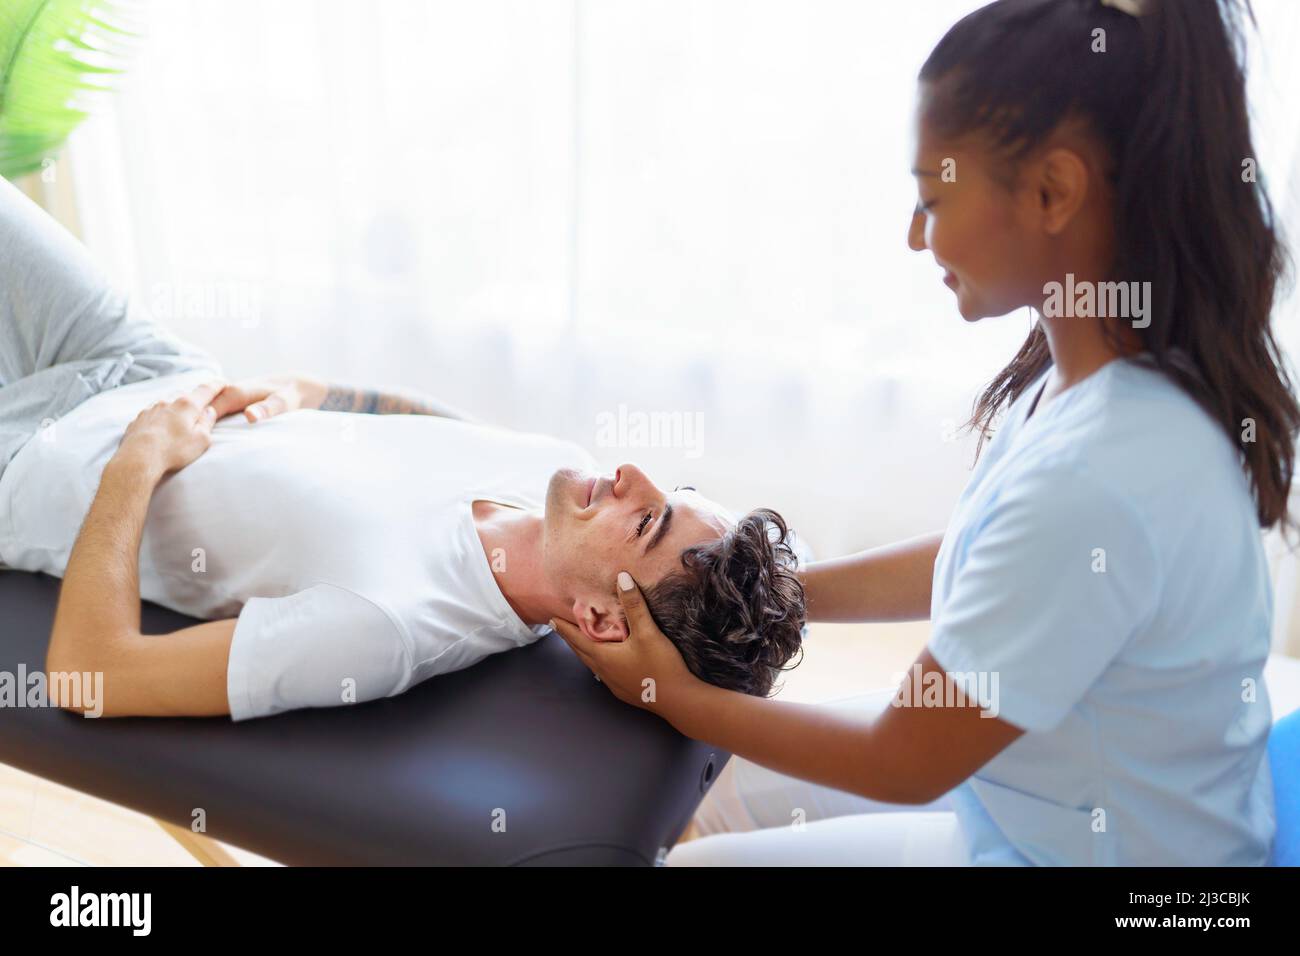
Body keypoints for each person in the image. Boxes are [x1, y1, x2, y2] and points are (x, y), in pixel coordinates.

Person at [553, 0, 1296, 866]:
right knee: (714, 795)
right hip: (1033, 786)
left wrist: (672, 694)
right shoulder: (1088, 380)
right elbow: (990, 559)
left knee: (693, 857)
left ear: (1054, 191)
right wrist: (782, 592)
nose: (916, 236)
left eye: (934, 198)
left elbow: (903, 759)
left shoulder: (1099, 475)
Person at [0, 163, 806, 723]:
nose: (632, 475)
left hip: (33, 466)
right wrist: (314, 392)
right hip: (149, 365)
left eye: (648, 522)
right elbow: (422, 421)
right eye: (668, 491)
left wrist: (136, 463)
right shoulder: (557, 475)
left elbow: (88, 673)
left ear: (600, 620)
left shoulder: (383, 628)